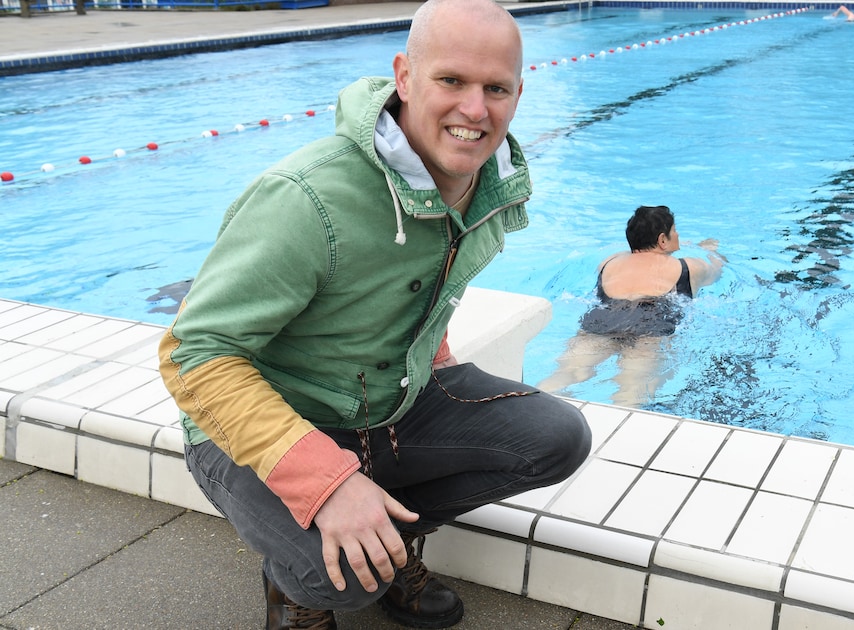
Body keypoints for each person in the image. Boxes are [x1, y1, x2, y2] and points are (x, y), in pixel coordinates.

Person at [156, 1, 592, 628]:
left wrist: (431, 364)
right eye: (452, 80)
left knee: (556, 440)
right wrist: (325, 481)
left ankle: (389, 537)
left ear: (518, 93)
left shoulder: (491, 183)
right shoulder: (308, 199)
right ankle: (298, 583)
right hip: (264, 424)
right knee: (338, 580)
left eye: (495, 88)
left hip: (387, 402)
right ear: (404, 77)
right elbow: (193, 355)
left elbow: (423, 288)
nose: (476, 110)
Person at [537, 205, 725, 408]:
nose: (678, 235)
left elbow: (641, 254)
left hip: (603, 319)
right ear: (663, 240)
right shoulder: (691, 268)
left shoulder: (609, 261)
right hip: (650, 324)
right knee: (632, 386)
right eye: (675, 231)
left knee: (567, 373)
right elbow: (717, 269)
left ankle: (534, 411)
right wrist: (709, 251)